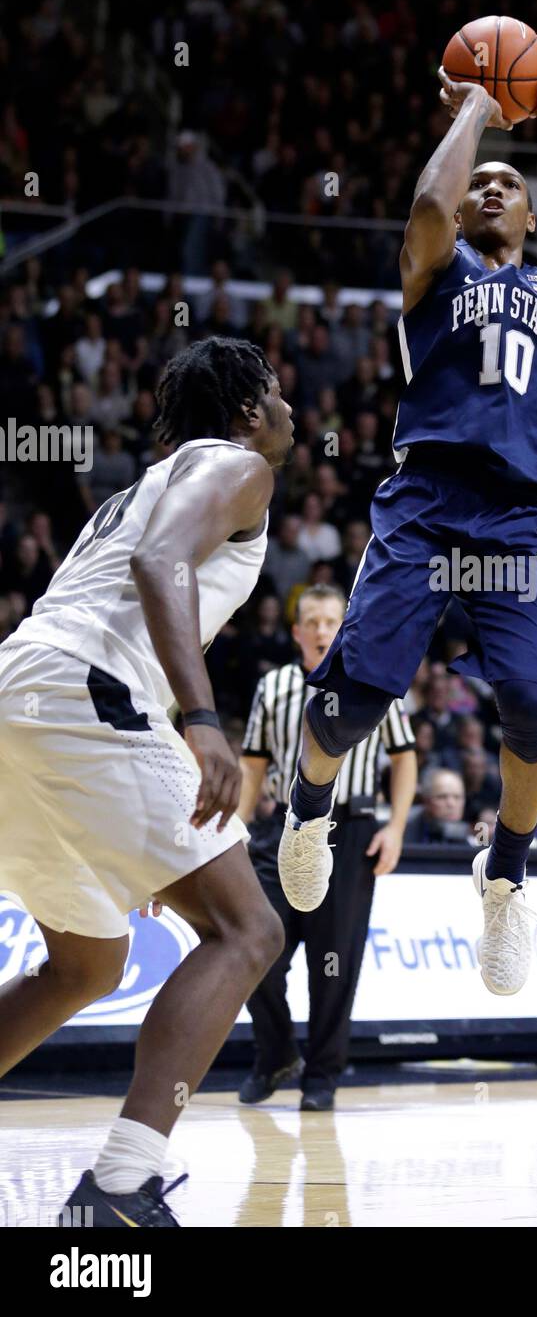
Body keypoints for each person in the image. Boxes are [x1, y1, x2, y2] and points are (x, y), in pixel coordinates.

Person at [276, 34, 537, 998]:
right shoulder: (434, 273)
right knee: (357, 697)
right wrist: (478, 108)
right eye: (481, 181)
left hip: (516, 521)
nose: (490, 188)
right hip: (427, 503)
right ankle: (308, 804)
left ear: (534, 213)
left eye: (508, 183)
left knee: (534, 708)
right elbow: (426, 207)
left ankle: (507, 873)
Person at [0, 337, 294, 1226]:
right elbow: (159, 566)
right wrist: (202, 723)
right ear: (246, 411)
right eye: (275, 394)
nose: (287, 411)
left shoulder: (146, 482)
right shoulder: (235, 465)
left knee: (86, 963)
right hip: (87, 692)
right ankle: (123, 1186)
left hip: (24, 690)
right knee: (247, 930)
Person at [237, 585, 416, 1111]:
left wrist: (397, 827)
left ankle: (321, 1078)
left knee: (333, 964)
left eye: (330, 622)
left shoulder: (374, 684)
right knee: (254, 952)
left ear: (345, 628)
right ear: (296, 631)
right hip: (280, 829)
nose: (320, 631)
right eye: (310, 622)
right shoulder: (272, 688)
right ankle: (276, 1055)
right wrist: (234, 830)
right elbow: (252, 765)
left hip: (352, 829)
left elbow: (404, 758)